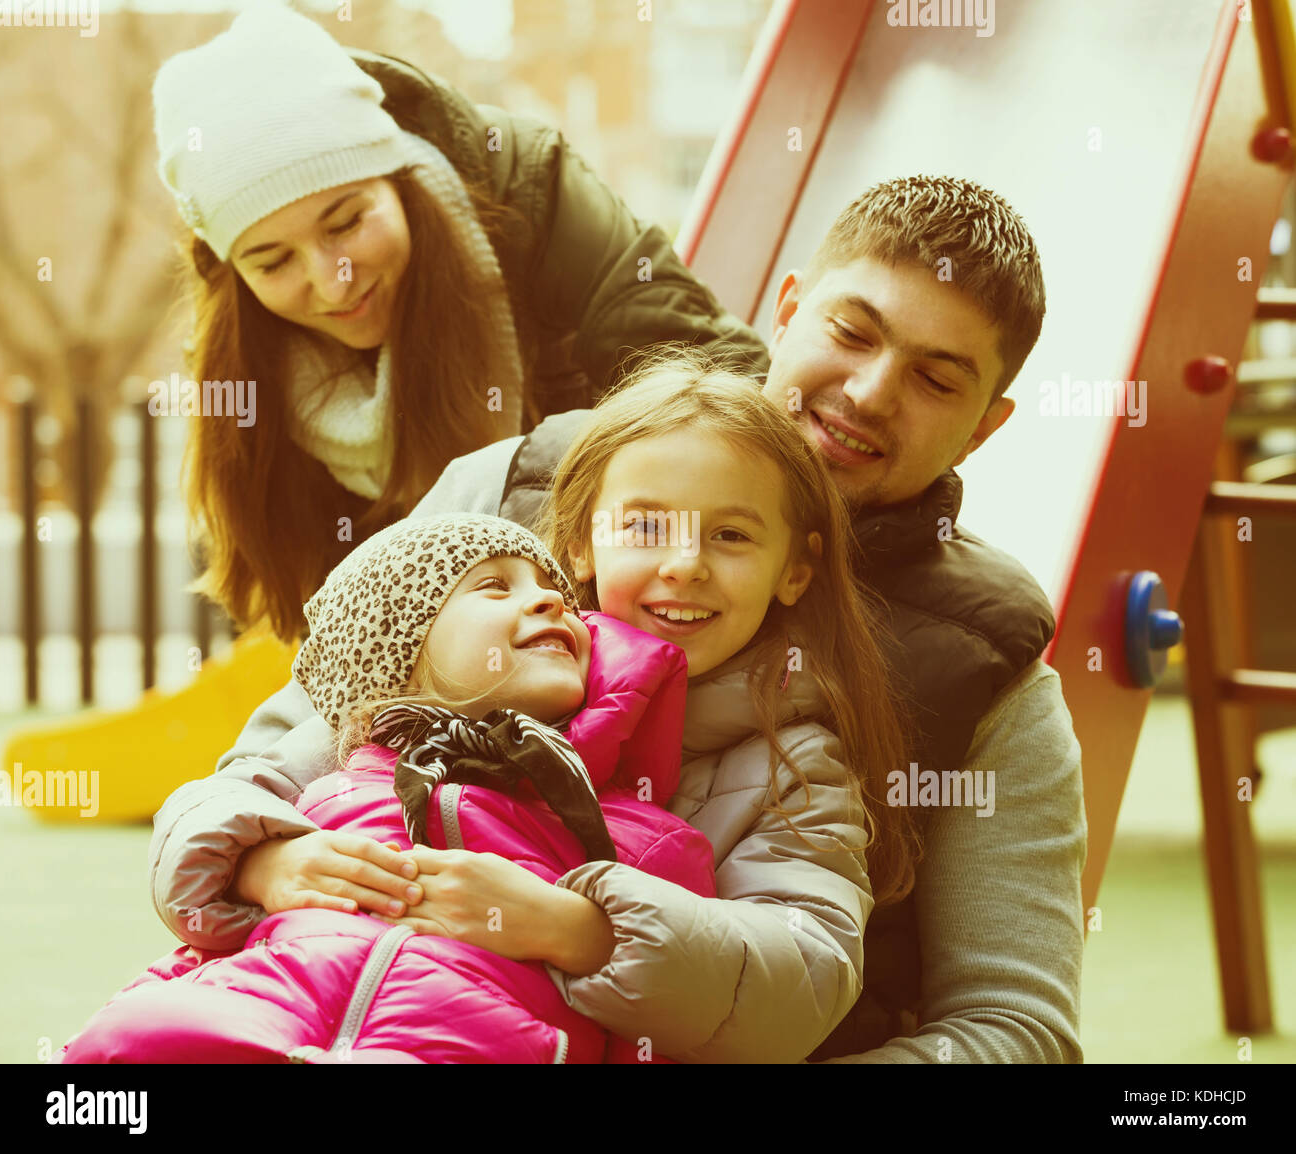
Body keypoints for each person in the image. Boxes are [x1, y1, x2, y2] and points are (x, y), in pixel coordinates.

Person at [160, 175, 1087, 1063]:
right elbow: (268, 775)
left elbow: (1017, 1029)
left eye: (936, 379)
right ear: (791, 305)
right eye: (852, 331)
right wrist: (260, 864)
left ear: (984, 427)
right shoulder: (504, 492)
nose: (873, 390)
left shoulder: (984, 667)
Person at [144, 363, 918, 1063]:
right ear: (583, 545)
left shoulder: (792, 762)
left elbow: (804, 976)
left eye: (731, 534)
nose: (685, 563)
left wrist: (573, 928)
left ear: (796, 570)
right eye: (646, 527)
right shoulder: (481, 672)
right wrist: (260, 862)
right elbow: (235, 791)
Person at [151, 3, 763, 641]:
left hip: (636, 625)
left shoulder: (533, 199)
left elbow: (718, 397)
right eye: (274, 260)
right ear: (235, 275)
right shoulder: (244, 362)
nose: (333, 279)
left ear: (398, 179)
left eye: (347, 222)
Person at [62, 514, 720, 1063]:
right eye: (494, 586)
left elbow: (683, 991)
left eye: (556, 591)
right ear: (396, 659)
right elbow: (198, 939)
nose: (553, 600)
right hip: (263, 1021)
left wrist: (575, 932)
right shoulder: (324, 793)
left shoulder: (628, 835)